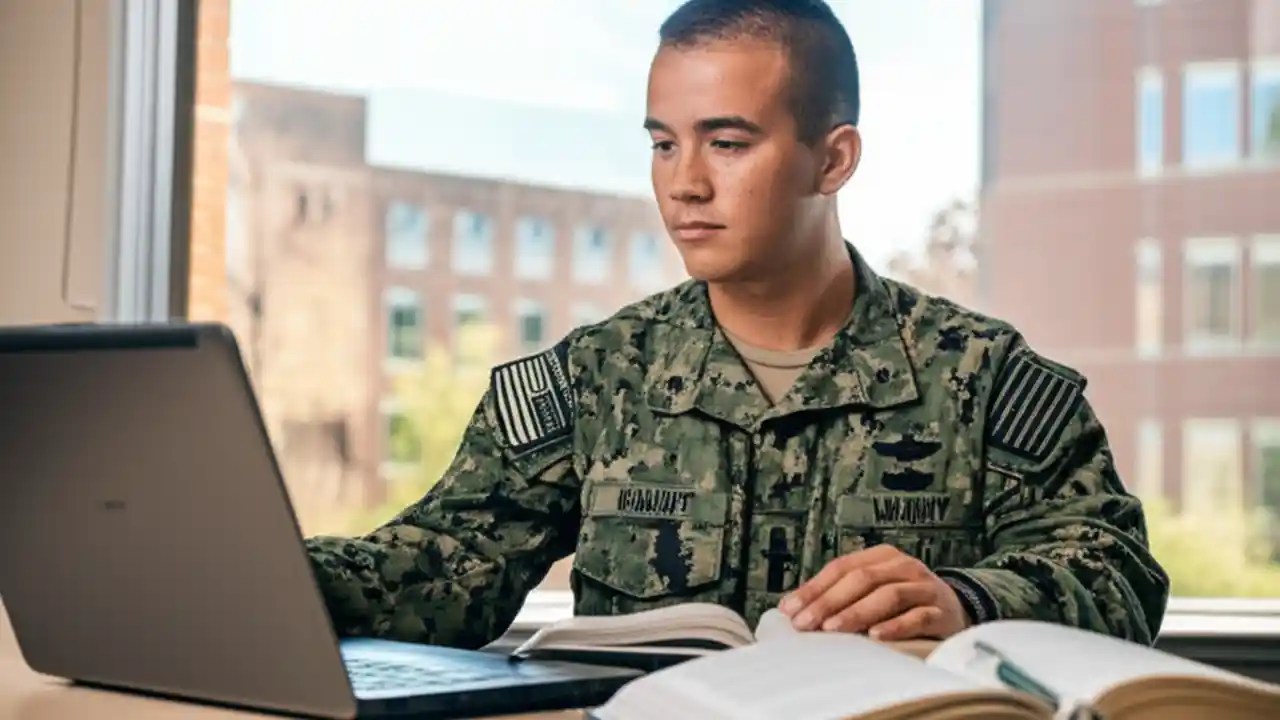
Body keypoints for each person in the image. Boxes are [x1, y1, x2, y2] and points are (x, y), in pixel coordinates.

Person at [304, 0, 1169, 650]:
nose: (683, 184)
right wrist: (258, 574)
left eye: (726, 143)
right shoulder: (594, 379)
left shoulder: (982, 379)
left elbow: (1114, 573)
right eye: (663, 144)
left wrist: (968, 602)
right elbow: (440, 569)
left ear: (832, 160)